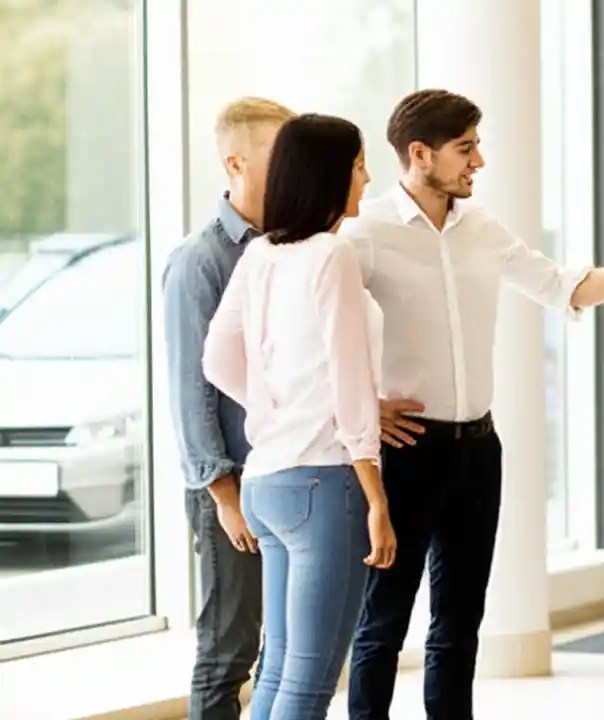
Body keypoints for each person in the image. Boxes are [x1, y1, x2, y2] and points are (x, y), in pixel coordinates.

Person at [341, 88, 604, 720]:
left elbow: (567, 287)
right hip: (408, 452)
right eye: (466, 148)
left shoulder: (482, 229)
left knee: (460, 623)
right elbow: (315, 334)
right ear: (420, 154)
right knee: (384, 621)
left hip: (477, 451)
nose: (479, 161)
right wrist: (359, 408)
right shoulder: (365, 235)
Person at [202, 113, 396, 720]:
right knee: (309, 684)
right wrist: (376, 497)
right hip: (324, 483)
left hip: (267, 481)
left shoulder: (260, 254)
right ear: (328, 174)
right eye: (359, 165)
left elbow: (217, 359)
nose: (367, 178)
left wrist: (279, 406)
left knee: (281, 670)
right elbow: (349, 378)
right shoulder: (331, 254)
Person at [162, 96, 295, 720]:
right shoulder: (200, 260)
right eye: (278, 154)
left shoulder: (290, 248)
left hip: (287, 475)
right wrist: (223, 496)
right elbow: (191, 392)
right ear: (236, 163)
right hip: (232, 487)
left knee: (286, 649)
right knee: (228, 650)